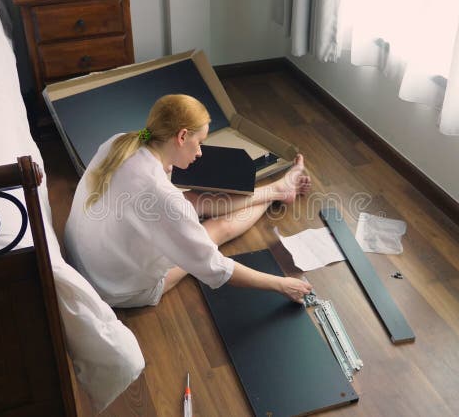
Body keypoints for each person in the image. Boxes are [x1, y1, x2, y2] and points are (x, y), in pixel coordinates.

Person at [64, 94, 313, 308]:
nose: (200, 152)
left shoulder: (119, 142)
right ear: (182, 136)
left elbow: (159, 196)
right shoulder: (164, 195)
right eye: (200, 143)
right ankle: (278, 193)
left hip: (83, 256)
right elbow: (216, 268)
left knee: (193, 201)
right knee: (215, 229)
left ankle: (279, 189)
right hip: (115, 288)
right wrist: (282, 284)